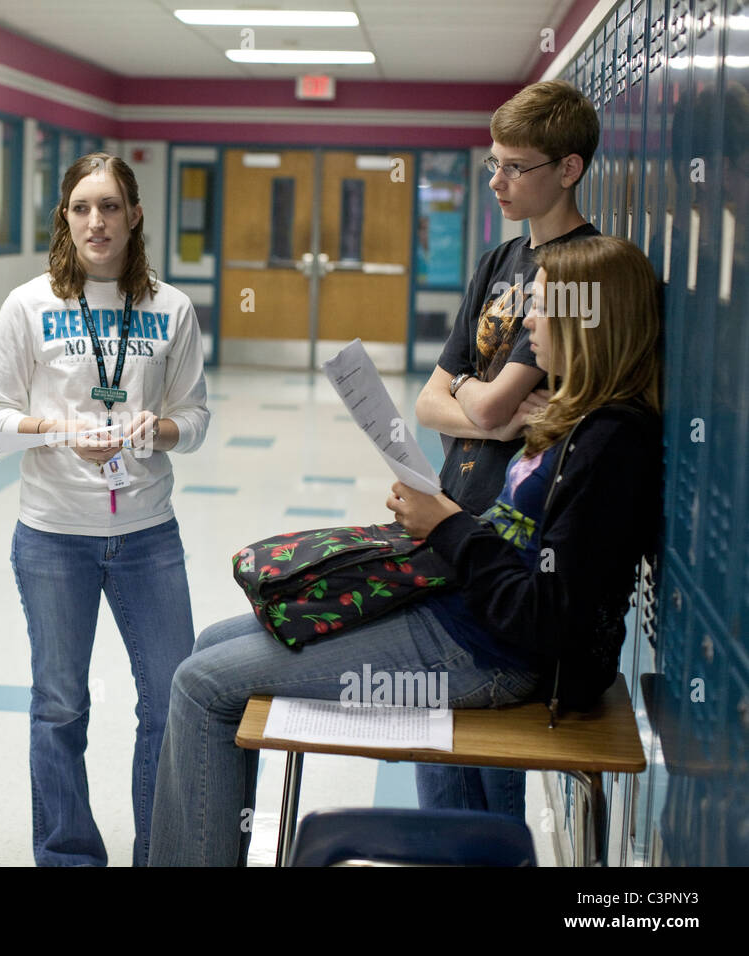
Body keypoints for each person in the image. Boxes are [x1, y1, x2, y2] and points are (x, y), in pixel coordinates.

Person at [148, 234, 662, 866]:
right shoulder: (574, 412)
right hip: (458, 610)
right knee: (207, 649)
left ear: (590, 321)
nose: (527, 320)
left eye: (542, 304)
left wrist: (445, 524)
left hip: (490, 652)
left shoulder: (612, 445)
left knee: (199, 685)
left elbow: (546, 616)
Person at [0, 152, 210, 866]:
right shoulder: (30, 304)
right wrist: (55, 431)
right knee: (59, 707)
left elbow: (196, 418)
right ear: (65, 218)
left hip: (147, 535)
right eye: (81, 208)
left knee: (170, 704)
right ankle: (68, 855)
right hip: (53, 537)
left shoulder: (171, 308)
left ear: (135, 216)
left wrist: (155, 428)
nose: (96, 222)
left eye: (109, 206)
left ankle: (158, 850)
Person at [412, 79, 600, 820]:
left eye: (515, 166)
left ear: (568, 169)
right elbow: (434, 402)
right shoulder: (498, 264)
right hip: (450, 511)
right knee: (437, 746)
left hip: (509, 539)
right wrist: (483, 415)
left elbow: (470, 398)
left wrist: (472, 405)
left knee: (489, 769)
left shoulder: (580, 275)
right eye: (493, 162)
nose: (496, 180)